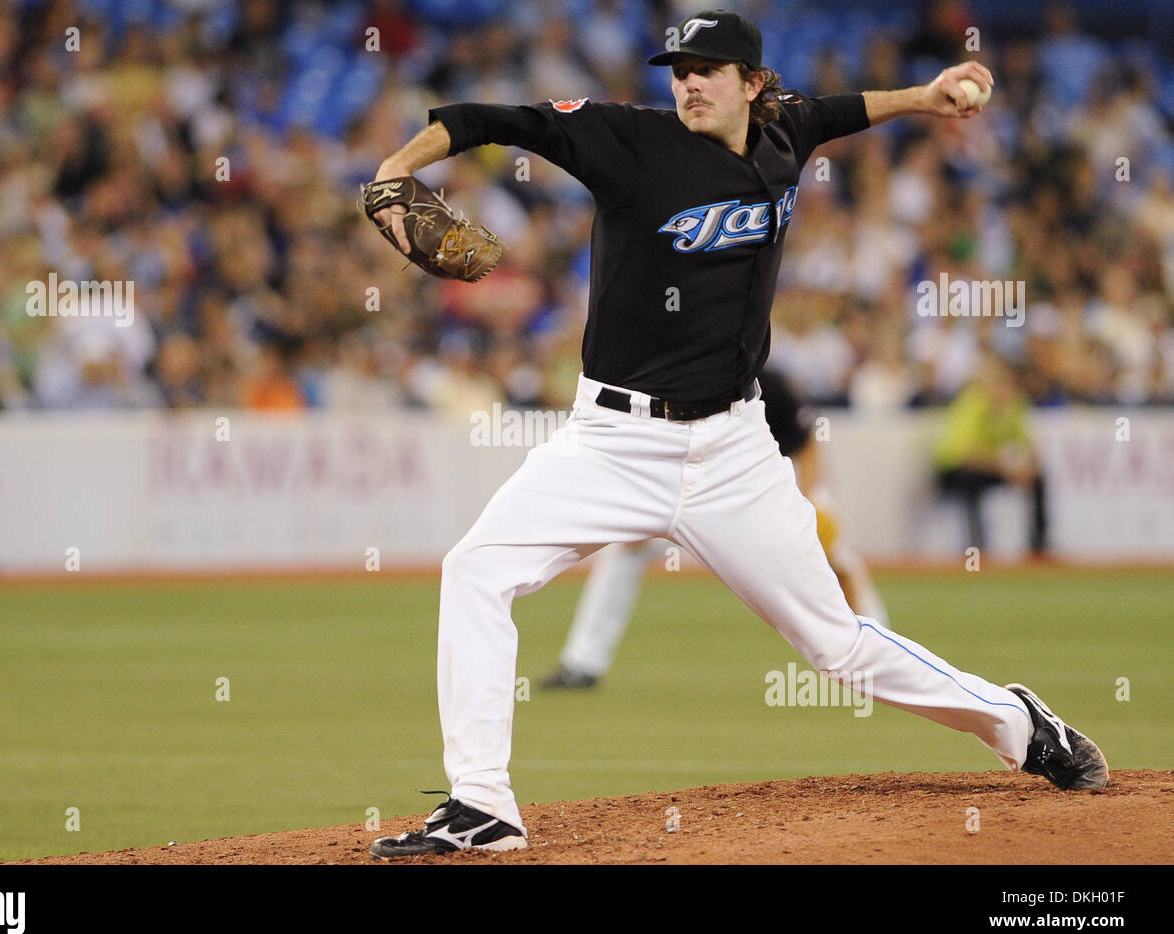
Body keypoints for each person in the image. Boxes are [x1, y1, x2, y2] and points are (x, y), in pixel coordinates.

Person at [365, 10, 1108, 859]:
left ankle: (1019, 723)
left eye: (708, 69)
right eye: (679, 67)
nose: (687, 82)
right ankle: (482, 802)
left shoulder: (786, 130)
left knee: (835, 645)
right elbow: (485, 120)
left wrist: (928, 97)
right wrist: (394, 169)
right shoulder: (626, 141)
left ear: (753, 85)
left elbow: (843, 109)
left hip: (734, 451)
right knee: (476, 570)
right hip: (611, 442)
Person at [541, 368, 889, 689]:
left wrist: (809, 501)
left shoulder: (768, 383)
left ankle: (879, 651)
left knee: (836, 550)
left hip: (772, 493)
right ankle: (583, 663)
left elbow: (807, 445)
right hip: (703, 495)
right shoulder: (678, 381)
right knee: (625, 551)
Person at [935, 352, 1047, 555]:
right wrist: (1005, 469)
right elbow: (965, 455)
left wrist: (1029, 467)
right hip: (954, 469)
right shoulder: (973, 402)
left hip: (992, 467)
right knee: (969, 481)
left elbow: (1028, 443)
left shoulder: (1015, 403)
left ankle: (1038, 548)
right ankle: (977, 547)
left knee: (1038, 480)